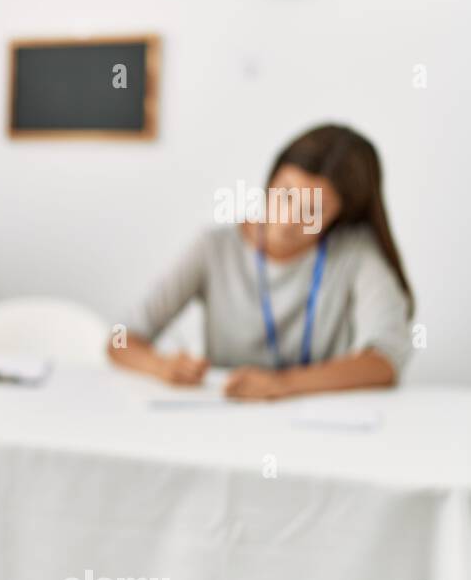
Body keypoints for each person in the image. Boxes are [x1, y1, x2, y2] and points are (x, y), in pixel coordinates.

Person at [109, 124, 414, 400]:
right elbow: (120, 339)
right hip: (226, 422)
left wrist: (283, 384)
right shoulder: (214, 247)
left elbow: (383, 363)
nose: (288, 220)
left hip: (317, 432)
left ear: (340, 217)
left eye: (314, 210)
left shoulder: (355, 254)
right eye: (285, 195)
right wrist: (161, 366)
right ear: (270, 183)